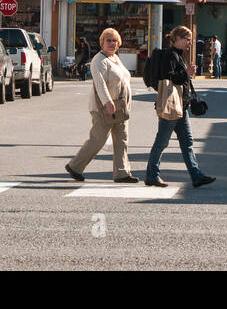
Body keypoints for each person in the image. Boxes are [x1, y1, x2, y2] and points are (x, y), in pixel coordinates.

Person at [145, 26, 216, 188]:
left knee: (187, 142)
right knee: (162, 142)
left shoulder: (179, 56)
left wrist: (186, 74)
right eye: (188, 39)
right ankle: (151, 175)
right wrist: (187, 72)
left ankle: (196, 176)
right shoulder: (170, 56)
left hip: (180, 106)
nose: (190, 42)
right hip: (170, 106)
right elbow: (170, 78)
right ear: (177, 38)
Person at [66, 28, 137, 183]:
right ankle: (75, 166)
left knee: (121, 139)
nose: (112, 43)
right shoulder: (99, 60)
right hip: (104, 108)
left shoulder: (115, 58)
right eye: (108, 40)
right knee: (98, 139)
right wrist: (107, 102)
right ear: (102, 43)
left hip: (120, 108)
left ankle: (122, 172)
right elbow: (100, 84)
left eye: (114, 41)